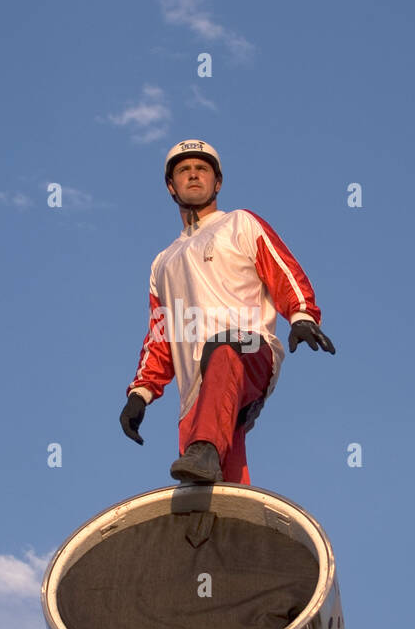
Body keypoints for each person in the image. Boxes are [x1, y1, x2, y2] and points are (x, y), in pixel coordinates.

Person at [119, 140, 335, 485]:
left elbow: (283, 269)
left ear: (217, 183)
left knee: (225, 346)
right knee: (211, 486)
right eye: (184, 170)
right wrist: (140, 394)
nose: (193, 175)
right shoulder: (162, 263)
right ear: (170, 186)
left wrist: (302, 315)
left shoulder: (239, 224)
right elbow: (161, 333)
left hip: (250, 348)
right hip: (197, 389)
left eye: (202, 169)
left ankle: (207, 447)